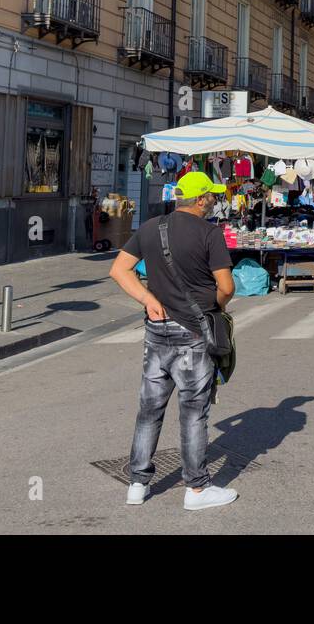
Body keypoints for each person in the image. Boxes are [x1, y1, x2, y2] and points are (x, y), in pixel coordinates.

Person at [108, 171, 239, 511]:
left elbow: (119, 270)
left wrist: (149, 301)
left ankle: (137, 484)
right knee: (194, 412)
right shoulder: (211, 234)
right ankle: (196, 489)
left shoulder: (152, 227)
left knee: (149, 409)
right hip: (194, 335)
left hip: (157, 331)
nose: (213, 201)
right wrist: (214, 310)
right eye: (210, 196)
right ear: (200, 200)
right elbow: (226, 287)